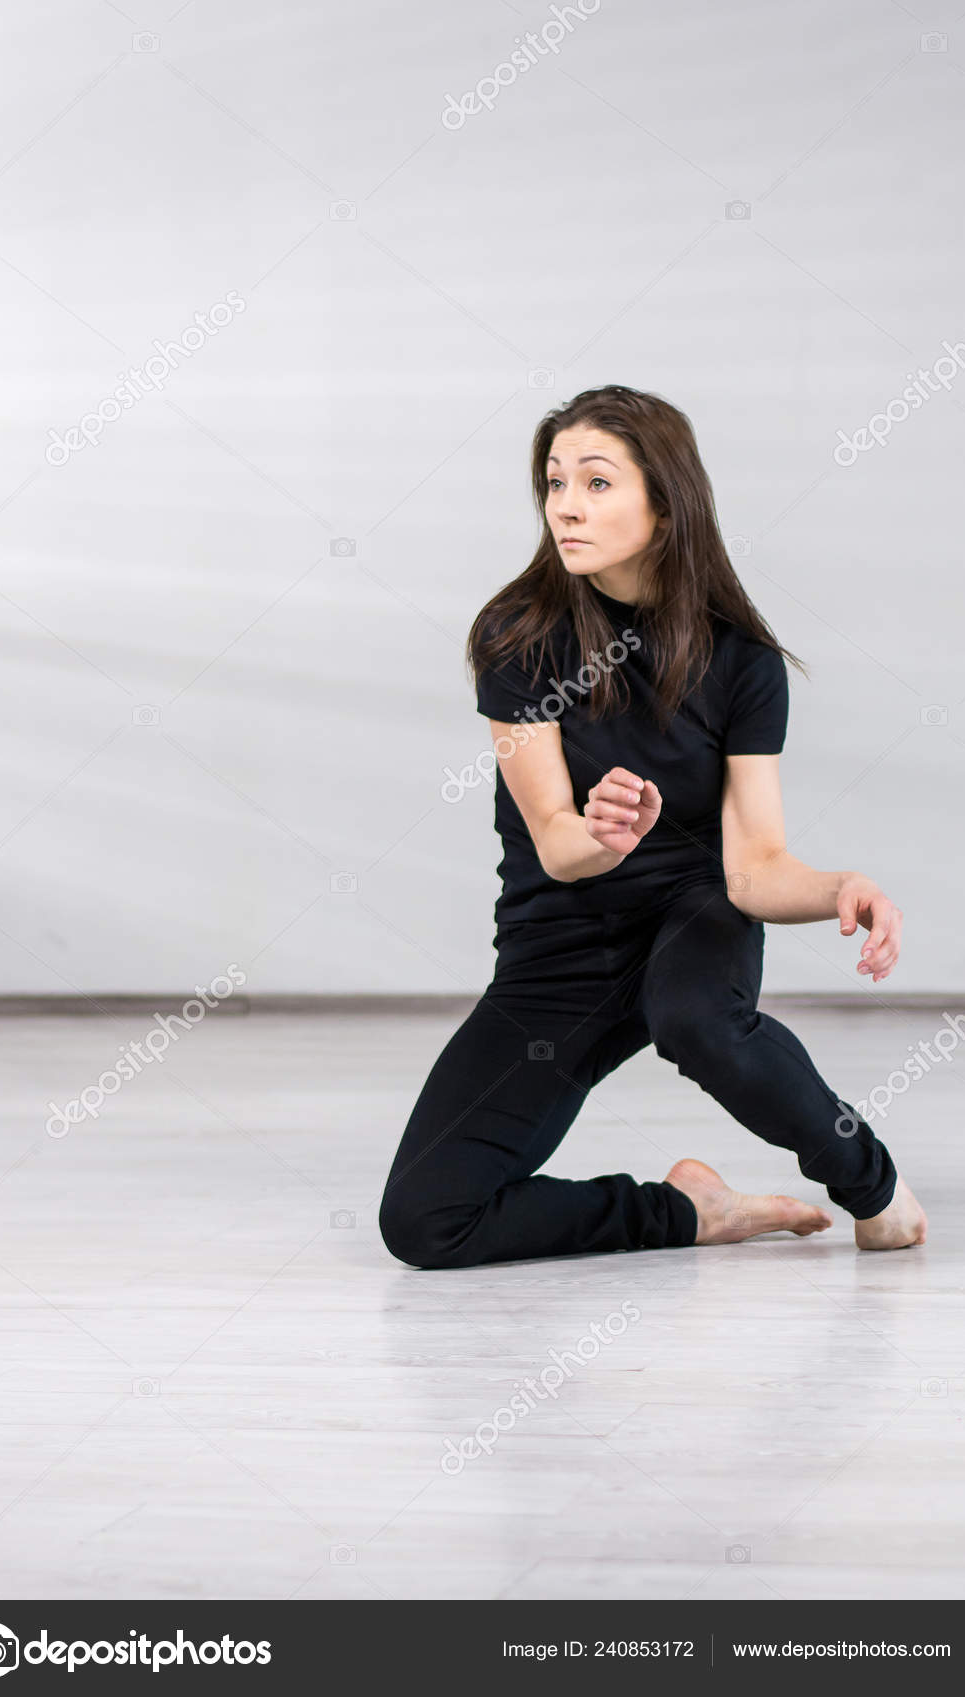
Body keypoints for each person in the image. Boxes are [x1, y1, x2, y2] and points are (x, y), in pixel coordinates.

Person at [378, 384, 927, 1270]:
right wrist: (601, 834)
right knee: (426, 1223)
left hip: (690, 914)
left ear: (665, 507)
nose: (565, 506)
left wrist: (840, 888)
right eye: (554, 481)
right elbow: (555, 843)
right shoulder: (518, 636)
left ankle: (873, 1186)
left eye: (596, 482)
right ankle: (690, 1210)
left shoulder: (741, 663)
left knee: (696, 1018)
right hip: (559, 940)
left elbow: (753, 869)